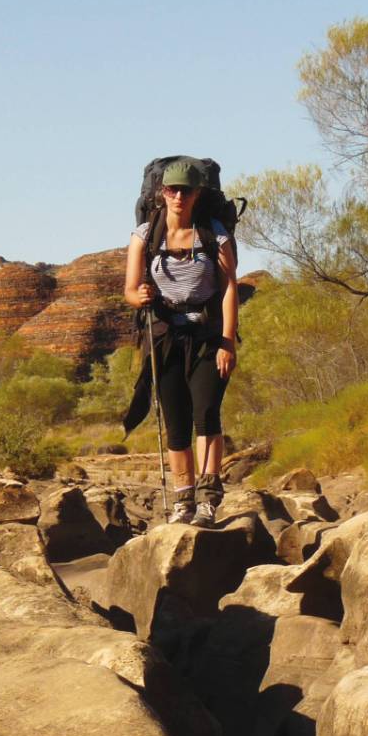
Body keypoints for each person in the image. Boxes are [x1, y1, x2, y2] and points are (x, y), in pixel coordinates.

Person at [124, 160, 238, 527]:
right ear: (162, 192)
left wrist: (227, 343)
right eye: (171, 189)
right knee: (176, 423)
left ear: (197, 194)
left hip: (207, 337)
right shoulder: (145, 235)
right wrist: (137, 296)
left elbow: (228, 289)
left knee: (206, 414)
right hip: (165, 338)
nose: (177, 196)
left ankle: (208, 498)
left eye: (185, 191)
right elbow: (128, 289)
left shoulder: (214, 234)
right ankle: (183, 500)